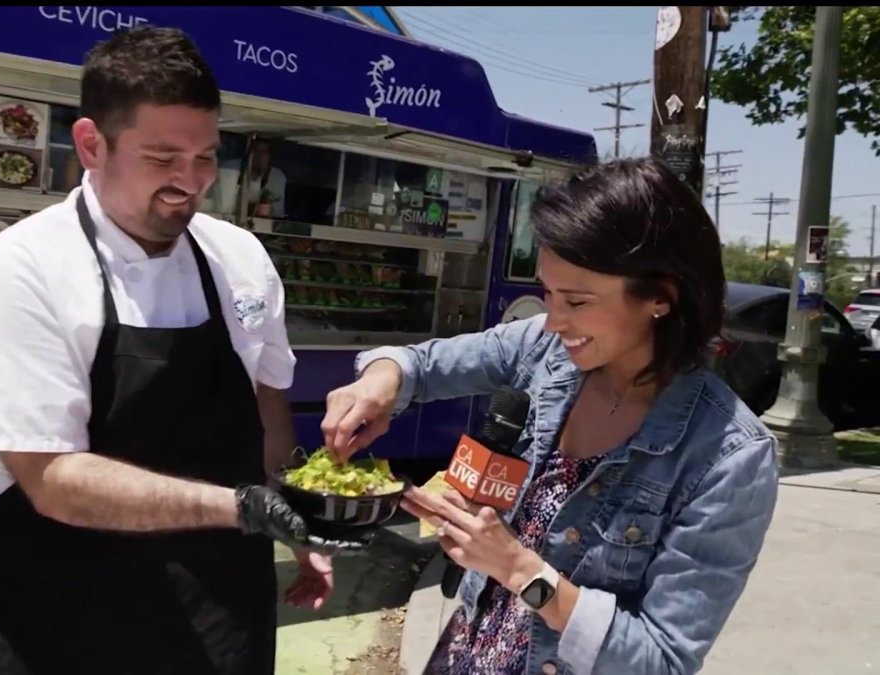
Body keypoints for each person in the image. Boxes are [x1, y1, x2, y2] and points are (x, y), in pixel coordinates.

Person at [0, 26, 362, 675]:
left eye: (203, 159)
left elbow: (266, 409)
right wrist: (247, 507)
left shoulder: (239, 258)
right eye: (161, 157)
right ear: (91, 144)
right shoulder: (21, 269)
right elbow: (50, 480)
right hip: (52, 615)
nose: (187, 183)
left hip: (216, 612)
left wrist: (296, 516)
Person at [321, 157, 781, 675]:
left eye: (578, 301)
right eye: (548, 294)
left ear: (661, 297)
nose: (555, 320)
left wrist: (517, 567)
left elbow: (662, 659)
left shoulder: (728, 457)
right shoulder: (544, 349)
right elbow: (422, 365)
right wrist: (378, 383)